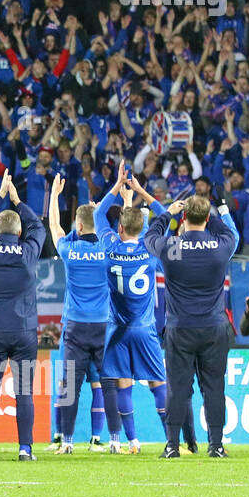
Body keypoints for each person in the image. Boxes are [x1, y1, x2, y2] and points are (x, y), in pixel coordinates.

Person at [144, 191, 239, 458]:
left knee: (177, 387)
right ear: (207, 219)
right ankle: (216, 445)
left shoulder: (171, 246)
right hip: (213, 327)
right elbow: (230, 231)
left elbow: (149, 237)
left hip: (180, 328)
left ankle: (172, 445)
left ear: (184, 217)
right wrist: (216, 211)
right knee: (214, 388)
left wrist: (167, 213)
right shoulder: (222, 246)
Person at [93, 173, 171, 454]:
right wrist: (141, 190)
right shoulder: (151, 247)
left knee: (122, 383)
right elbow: (164, 216)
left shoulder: (110, 246)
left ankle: (133, 441)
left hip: (117, 329)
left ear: (120, 229)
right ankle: (171, 442)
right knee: (158, 382)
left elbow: (100, 213)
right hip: (145, 328)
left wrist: (116, 185)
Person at [0, 170, 45, 461]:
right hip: (24, 330)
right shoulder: (28, 252)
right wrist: (17, 200)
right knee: (24, 392)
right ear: (19, 232)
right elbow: (37, 226)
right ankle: (25, 449)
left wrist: (0, 196)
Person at [47, 173, 119, 455]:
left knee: (69, 388)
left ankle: (66, 442)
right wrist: (121, 200)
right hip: (103, 326)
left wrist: (54, 195)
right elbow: (120, 229)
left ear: (77, 225)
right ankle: (114, 440)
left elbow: (53, 224)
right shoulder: (107, 249)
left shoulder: (69, 249)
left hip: (75, 328)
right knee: (108, 384)